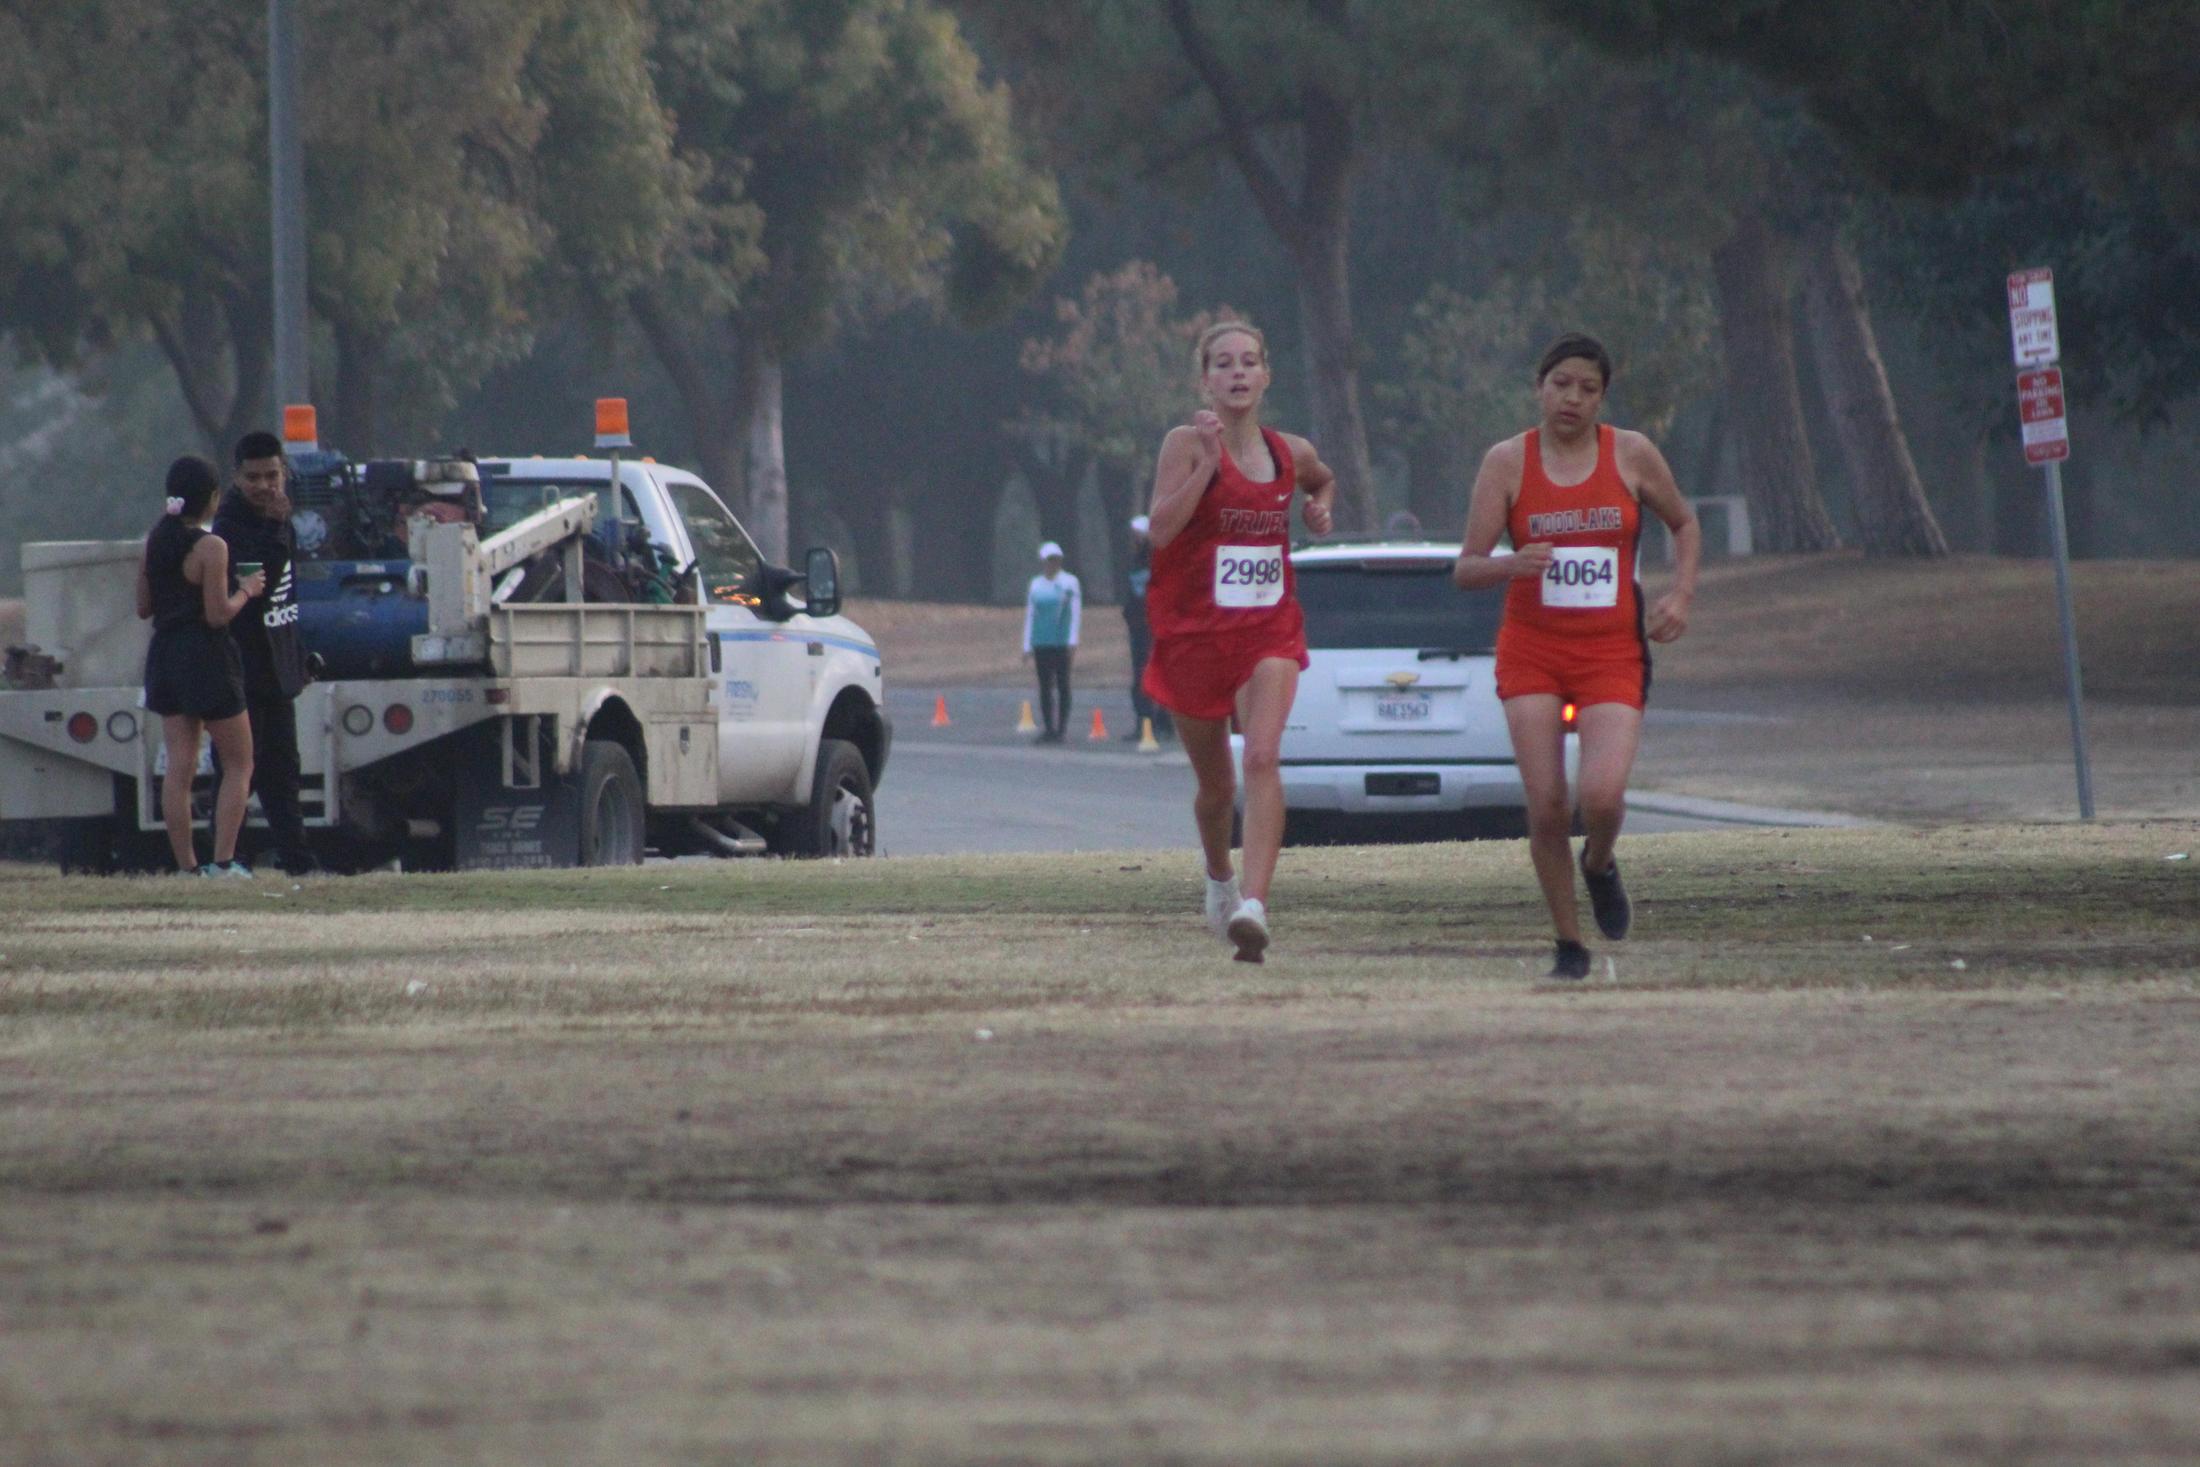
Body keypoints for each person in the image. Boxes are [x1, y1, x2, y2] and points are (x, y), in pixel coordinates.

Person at [1453, 332, 1700, 980]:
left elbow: (1683, 522)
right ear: (1540, 387)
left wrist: (1680, 594)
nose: (1573, 398)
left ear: (1602, 398)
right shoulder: (1507, 462)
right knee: (1548, 806)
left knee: (1603, 797)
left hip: (1611, 650)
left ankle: (1599, 862)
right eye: (1561, 383)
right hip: (1532, 649)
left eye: (1588, 389)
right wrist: (1510, 563)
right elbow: (1466, 568)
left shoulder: (1631, 453)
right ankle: (1569, 943)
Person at [1144, 321, 1335, 962]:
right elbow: (1160, 532)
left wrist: (1320, 507)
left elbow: (1322, 478)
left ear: (1266, 375)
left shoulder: (1290, 452)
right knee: (1217, 788)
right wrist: (1206, 464)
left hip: (1267, 628)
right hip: (1194, 635)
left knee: (1262, 757)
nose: (1237, 373)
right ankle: (1220, 877)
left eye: (1249, 362)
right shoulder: (1183, 444)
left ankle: (1254, 905)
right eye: (1223, 364)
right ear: (1205, 381)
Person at [136, 455, 264, 875]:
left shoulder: (154, 542)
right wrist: (246, 591)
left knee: (180, 767)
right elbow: (216, 614)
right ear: (212, 498)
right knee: (239, 763)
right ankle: (223, 862)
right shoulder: (211, 547)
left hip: (165, 656)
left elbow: (143, 607)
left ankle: (187, 867)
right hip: (207, 658)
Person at [213, 429, 316, 874]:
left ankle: (299, 862)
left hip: (277, 667)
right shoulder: (230, 527)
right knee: (238, 771)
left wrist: (298, 655)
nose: (264, 486)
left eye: (272, 476)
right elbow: (262, 584)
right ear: (236, 477)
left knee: (283, 772)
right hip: (243, 668)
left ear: (284, 473)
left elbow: (287, 596)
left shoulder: (280, 517)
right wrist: (275, 526)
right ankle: (226, 859)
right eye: (253, 478)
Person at [1021, 541, 1082, 742]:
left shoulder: (1069, 582)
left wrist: (1073, 640)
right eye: (1049, 560)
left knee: (1063, 684)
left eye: (1056, 559)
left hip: (1061, 641)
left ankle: (1061, 729)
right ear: (1043, 561)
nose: (1053, 563)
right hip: (1041, 641)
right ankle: (1049, 728)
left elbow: (1075, 613)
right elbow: (1030, 615)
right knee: (1045, 686)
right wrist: (1027, 645)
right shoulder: (1036, 584)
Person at [1119, 514, 1171, 740]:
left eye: (1138, 535)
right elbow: (1131, 595)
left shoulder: (1159, 559)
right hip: (1138, 629)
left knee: (1160, 673)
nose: (1134, 539)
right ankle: (1143, 721)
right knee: (1140, 676)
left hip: (1157, 627)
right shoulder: (1133, 563)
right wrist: (1128, 614)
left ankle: (1163, 721)